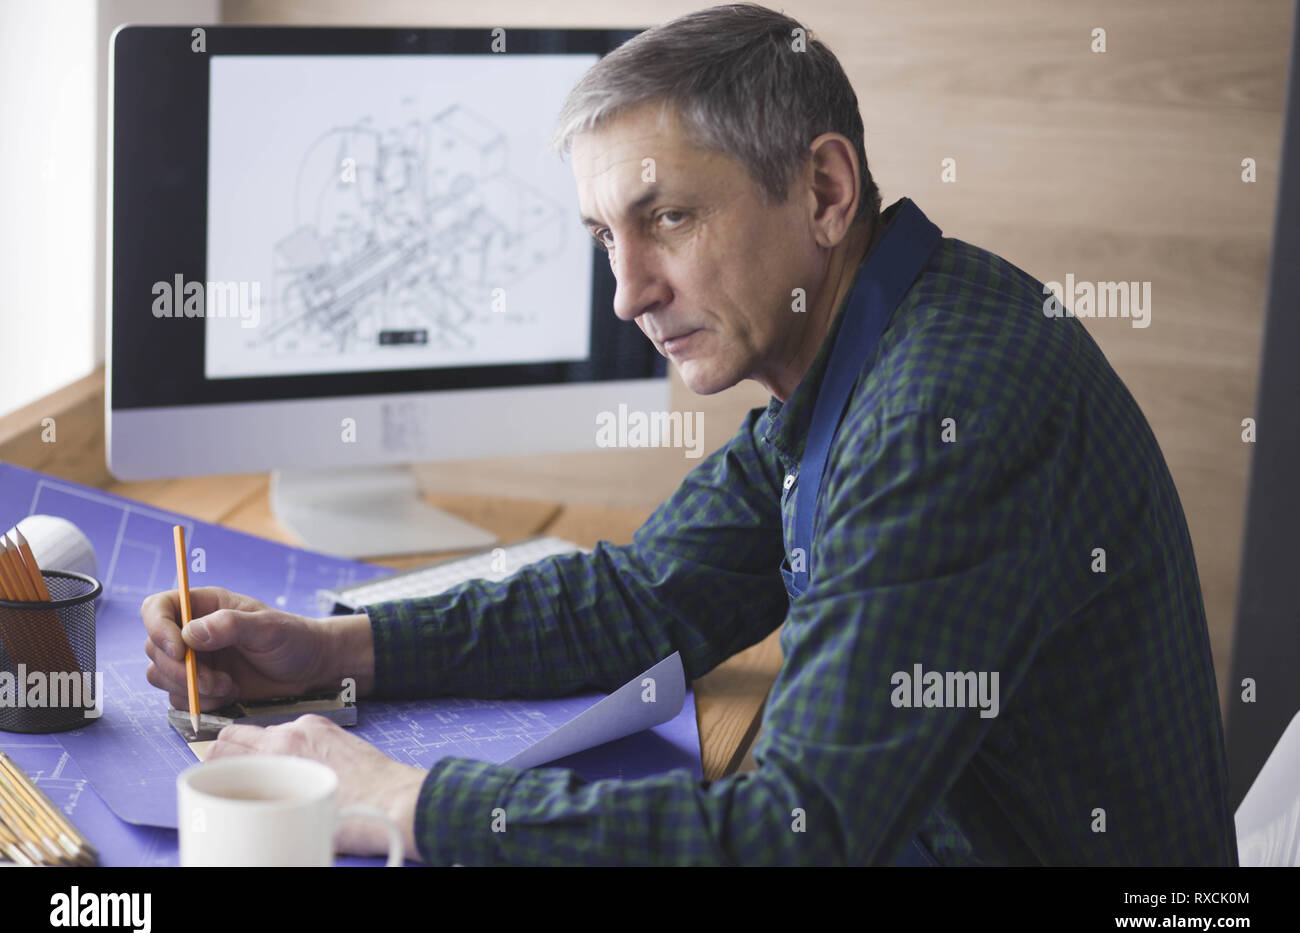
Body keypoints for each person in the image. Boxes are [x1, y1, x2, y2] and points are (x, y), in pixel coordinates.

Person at [142, 3, 1238, 865]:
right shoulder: (867, 339)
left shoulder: (936, 421)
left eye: (667, 217)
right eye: (600, 237)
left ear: (821, 188)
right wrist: (334, 653)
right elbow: (645, 596)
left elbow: (793, 834)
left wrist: (404, 798)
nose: (626, 294)